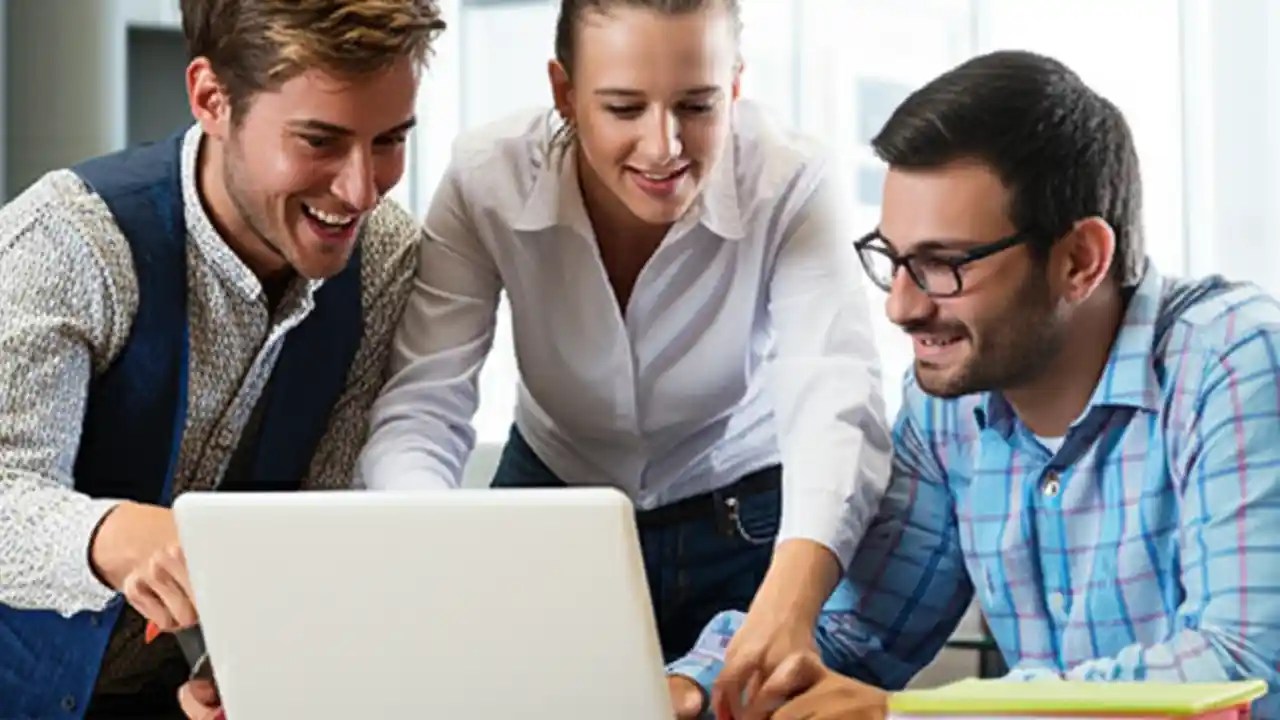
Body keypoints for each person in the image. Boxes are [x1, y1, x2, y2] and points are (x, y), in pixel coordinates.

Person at [666, 49, 1280, 720]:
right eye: (894, 259)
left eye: (944, 265)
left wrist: (914, 715)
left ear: (1081, 260)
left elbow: (1246, 666)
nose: (901, 306)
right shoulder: (949, 408)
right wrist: (690, 686)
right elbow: (854, 635)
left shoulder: (1231, 362)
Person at [356, 0, 891, 694]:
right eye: (623, 108)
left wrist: (788, 606)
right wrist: (436, 556)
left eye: (697, 106)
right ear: (564, 93)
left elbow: (835, 397)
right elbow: (425, 402)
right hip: (551, 501)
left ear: (734, 85)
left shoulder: (790, 178)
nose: (663, 145)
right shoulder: (487, 176)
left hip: (746, 523)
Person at [0, 1, 445, 718]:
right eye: (319, 141)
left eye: (390, 140)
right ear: (211, 98)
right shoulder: (68, 241)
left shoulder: (386, 258)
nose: (361, 190)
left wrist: (240, 662)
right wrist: (110, 535)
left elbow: (325, 517)